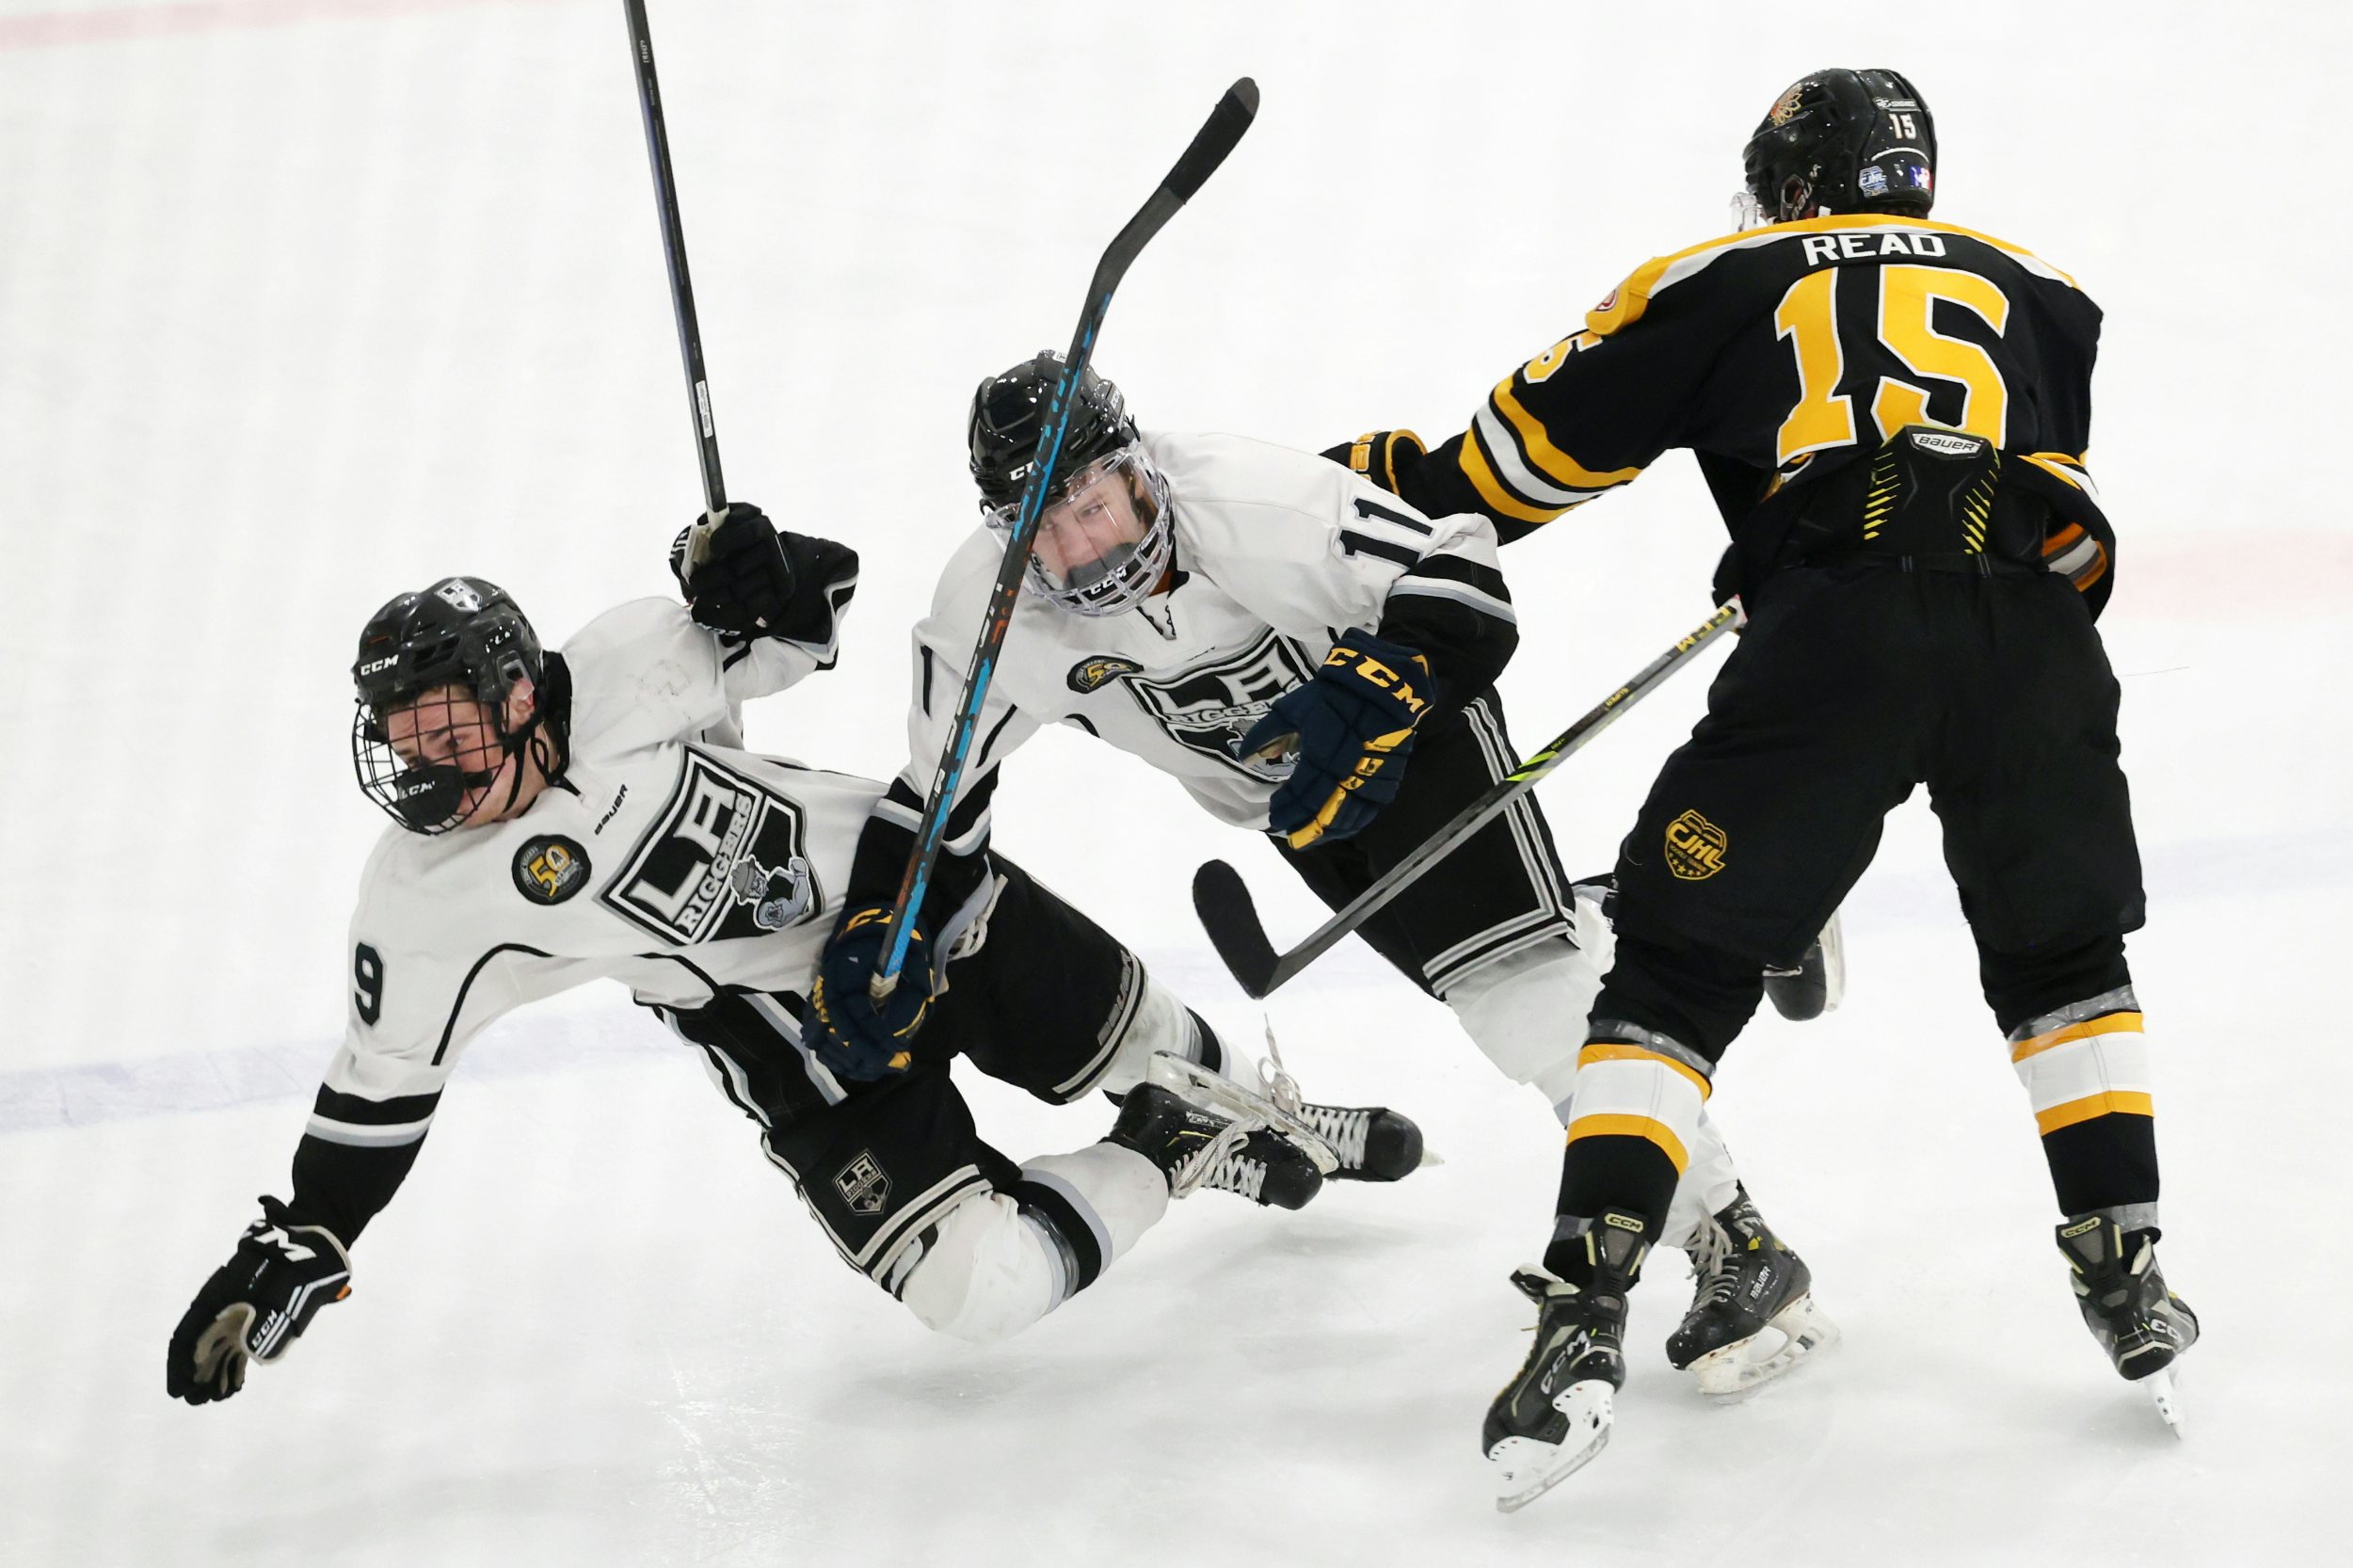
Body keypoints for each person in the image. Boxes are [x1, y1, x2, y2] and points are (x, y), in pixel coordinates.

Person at [1329, 67, 2194, 1504]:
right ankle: (2127, 1271)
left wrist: (1349, 480)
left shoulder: (1719, 273)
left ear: (1796, 181)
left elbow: (1505, 468)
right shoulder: (2042, 286)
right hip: (2032, 643)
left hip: (1839, 643)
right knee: (2061, 955)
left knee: (1666, 976)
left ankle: (1581, 1320)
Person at [805, 353, 1838, 1400]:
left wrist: (1381, 683)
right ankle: (1734, 919)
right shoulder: (986, 615)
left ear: (1133, 470)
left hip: (1410, 733)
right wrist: (880, 928)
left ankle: (1737, 1242)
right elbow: (935, 804)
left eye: (1089, 501)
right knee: (1530, 968)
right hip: (1293, 813)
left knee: (1521, 999)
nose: (1077, 546)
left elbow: (1462, 575)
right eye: (1041, 523)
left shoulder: (1247, 498)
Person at [164, 508, 1353, 1407]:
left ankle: (1251, 1118)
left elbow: (817, 606)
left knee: (1152, 1040)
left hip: (914, 896)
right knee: (980, 1294)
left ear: (519, 688)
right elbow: (378, 1087)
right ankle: (1177, 1149)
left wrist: (746, 560)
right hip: (796, 1041)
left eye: (446, 728)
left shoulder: (632, 657)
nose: (422, 769)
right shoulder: (427, 901)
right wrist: (304, 1234)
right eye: (400, 740)